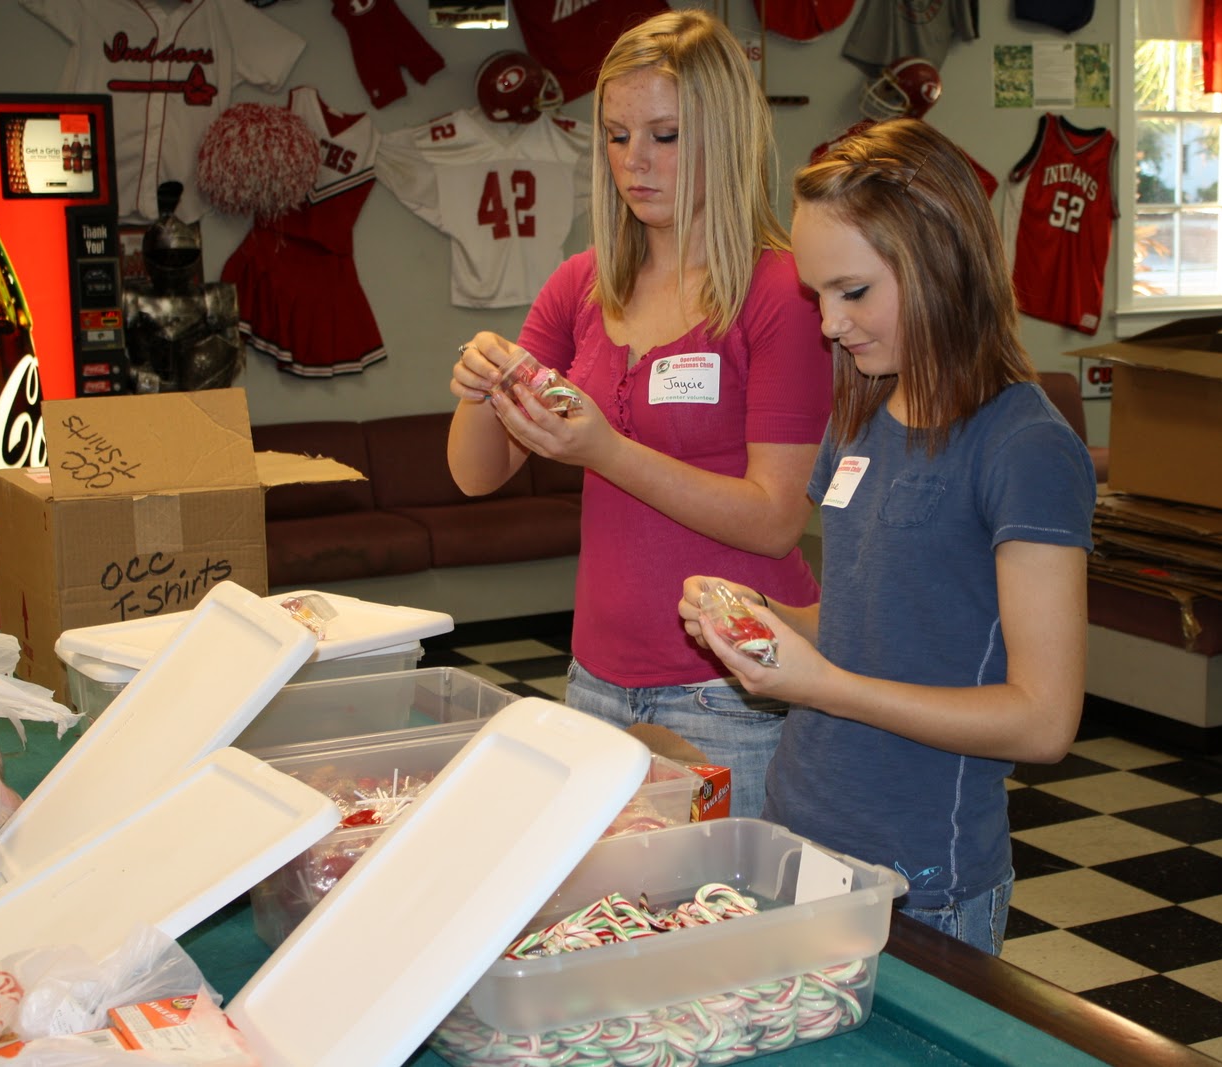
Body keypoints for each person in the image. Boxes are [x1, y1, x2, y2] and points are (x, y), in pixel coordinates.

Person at [679, 118, 1096, 953]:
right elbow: (871, 624)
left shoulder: (1027, 447)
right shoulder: (865, 409)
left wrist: (821, 682)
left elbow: (1044, 720)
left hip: (920, 880)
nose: (830, 324)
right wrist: (759, 615)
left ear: (938, 260)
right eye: (818, 296)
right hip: (802, 838)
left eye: (853, 292)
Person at [447, 9, 832, 819]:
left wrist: (606, 449)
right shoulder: (580, 285)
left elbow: (774, 520)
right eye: (618, 136)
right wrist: (484, 384)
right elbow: (476, 475)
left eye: (665, 135)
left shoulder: (780, 294)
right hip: (596, 679)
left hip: (731, 688)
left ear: (724, 136)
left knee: (729, 930)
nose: (635, 162)